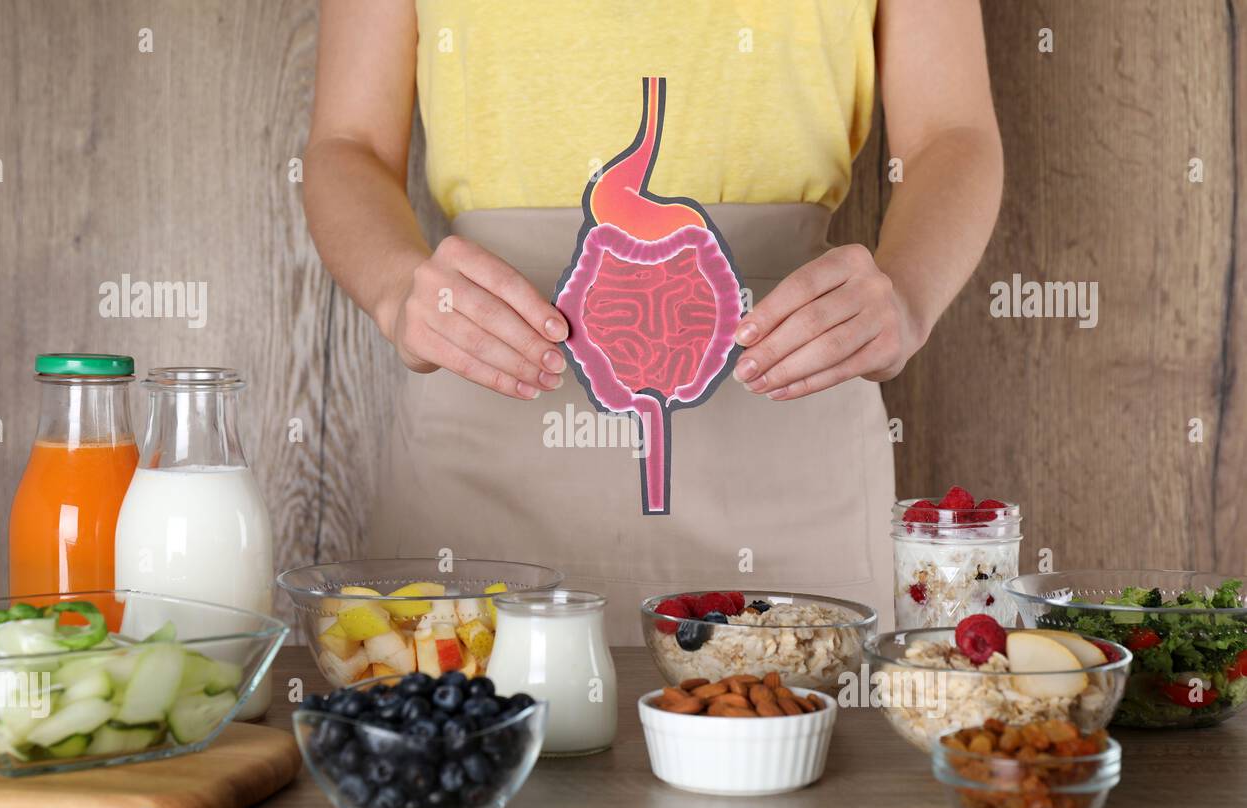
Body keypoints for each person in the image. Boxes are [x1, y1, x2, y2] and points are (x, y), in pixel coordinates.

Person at [303, 0, 1002, 640]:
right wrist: (399, 289)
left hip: (792, 420)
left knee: (805, 745)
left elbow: (952, 131)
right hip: (485, 417)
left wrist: (906, 292)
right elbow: (347, 141)